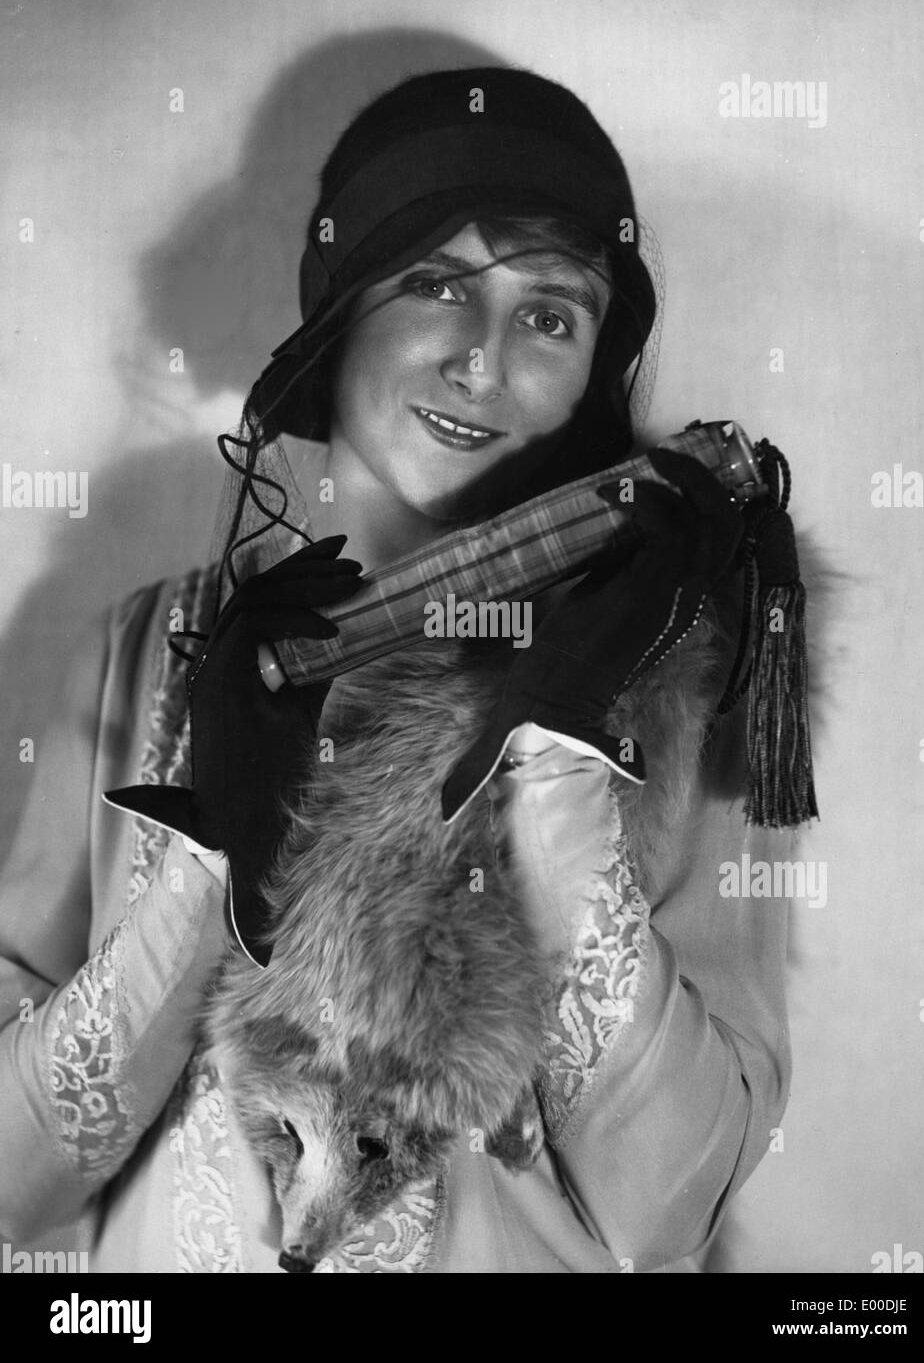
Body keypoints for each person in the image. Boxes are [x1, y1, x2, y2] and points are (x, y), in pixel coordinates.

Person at [0, 67, 793, 1273]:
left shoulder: (687, 676)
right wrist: (210, 860)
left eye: (549, 313)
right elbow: (14, 1182)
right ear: (343, 309)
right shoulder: (141, 653)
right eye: (438, 284)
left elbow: (671, 1203)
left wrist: (560, 775)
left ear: (594, 367)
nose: (482, 361)